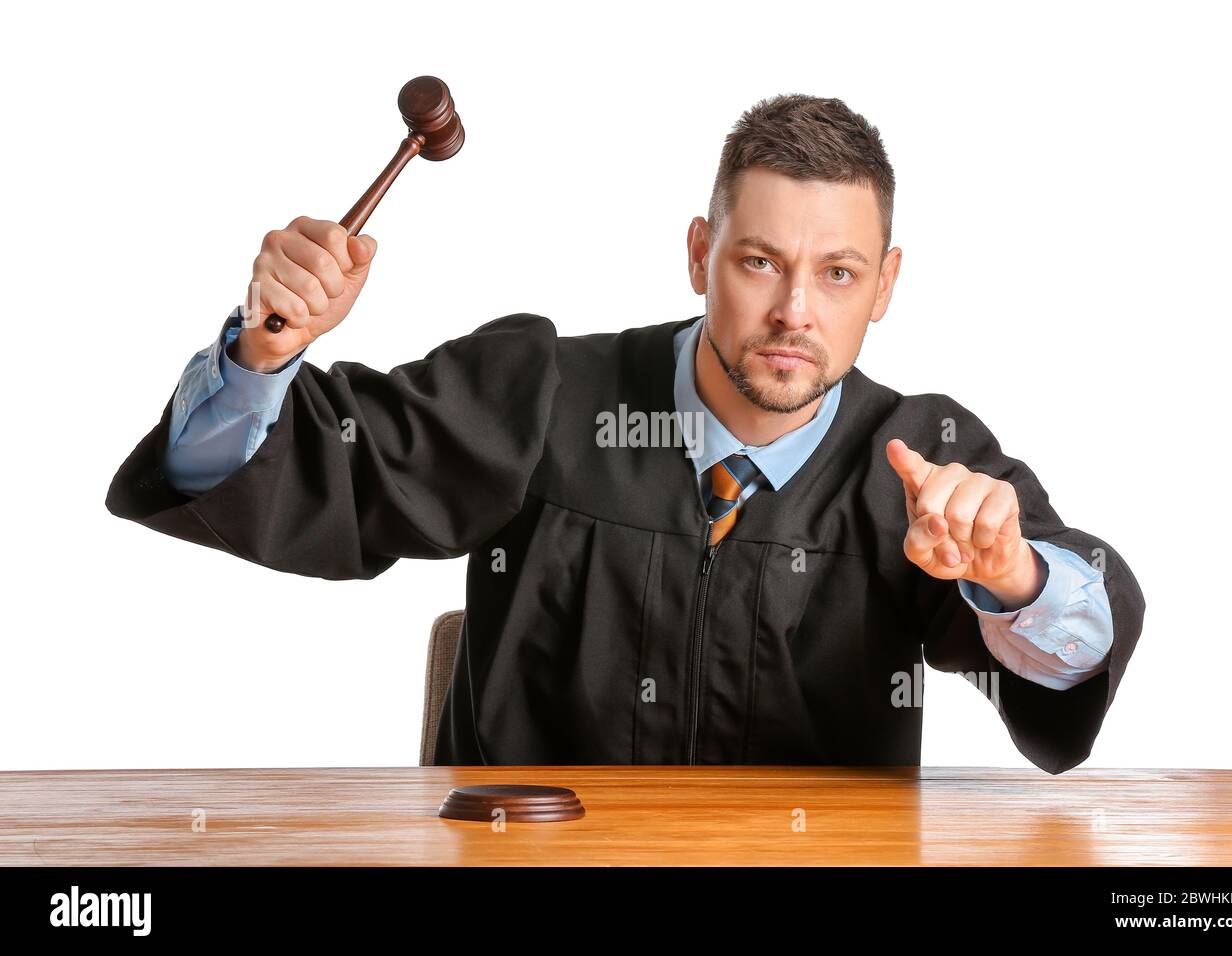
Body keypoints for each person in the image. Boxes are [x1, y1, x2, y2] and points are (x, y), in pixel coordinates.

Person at [106, 93, 1144, 772]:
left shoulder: (918, 462)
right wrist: (263, 356)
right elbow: (301, 472)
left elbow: (1066, 647)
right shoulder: (543, 395)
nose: (795, 311)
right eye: (757, 261)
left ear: (885, 286)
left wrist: (1013, 579)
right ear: (699, 253)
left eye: (837, 272)